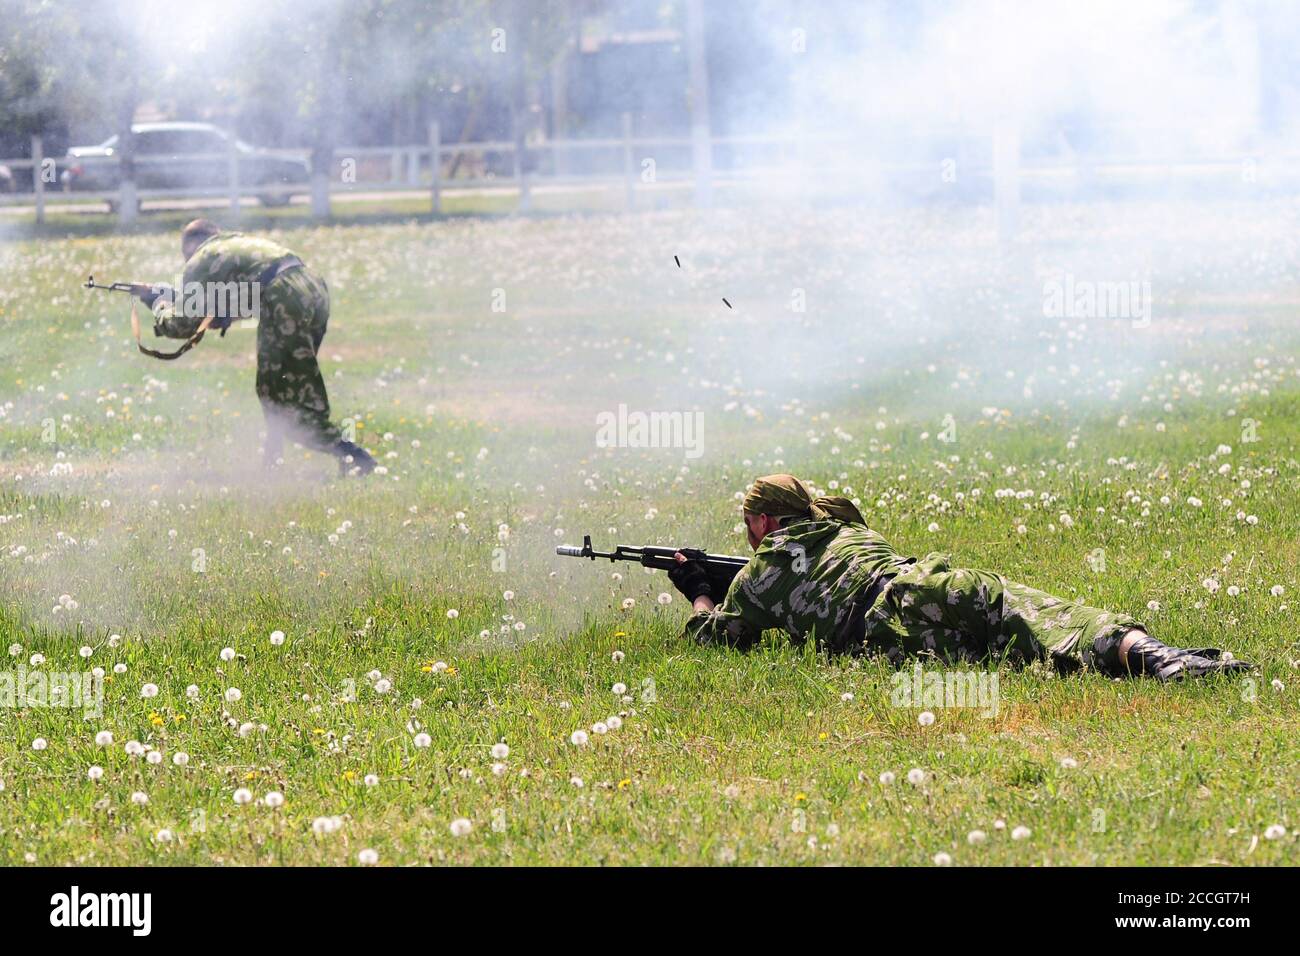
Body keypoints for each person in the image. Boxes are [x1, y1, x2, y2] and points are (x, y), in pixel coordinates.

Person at [667, 474, 1251, 680]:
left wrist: (698, 590)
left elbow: (719, 638)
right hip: (933, 580)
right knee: (1047, 621)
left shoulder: (761, 574)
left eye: (749, 524)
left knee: (998, 661)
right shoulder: (843, 527)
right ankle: (1153, 656)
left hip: (892, 634)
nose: (747, 536)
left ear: (765, 521)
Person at [141, 219, 376, 475]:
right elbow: (250, 291)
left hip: (283, 299)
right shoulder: (236, 244)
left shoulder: (201, 259)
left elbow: (182, 326)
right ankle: (277, 461)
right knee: (283, 387)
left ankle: (352, 455)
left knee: (277, 394)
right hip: (312, 287)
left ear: (190, 246)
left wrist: (158, 305)